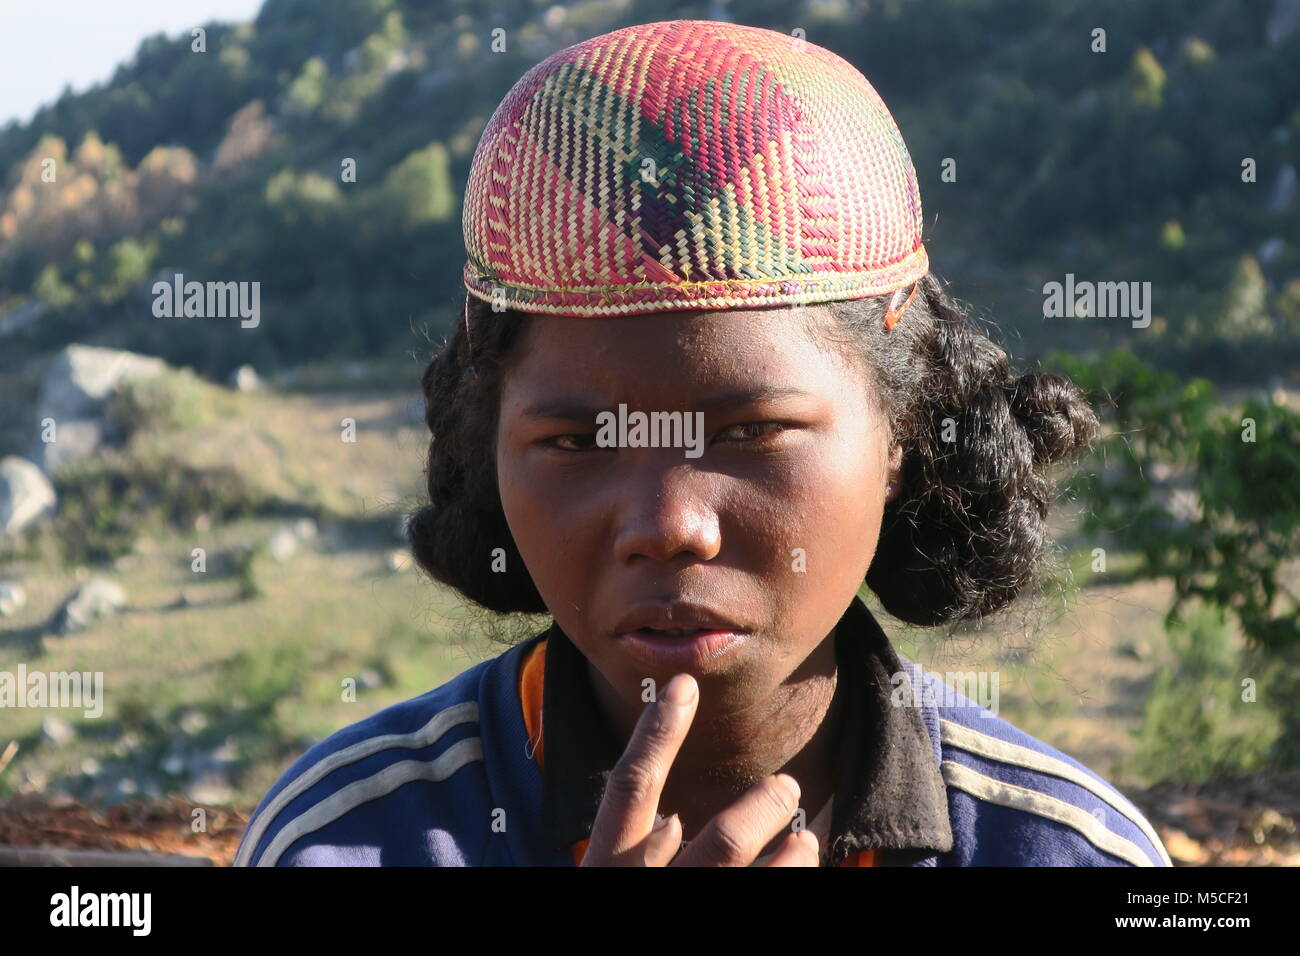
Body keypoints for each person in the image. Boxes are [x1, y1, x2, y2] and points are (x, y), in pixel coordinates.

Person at [235, 19, 1171, 867]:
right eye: (580, 441)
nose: (669, 525)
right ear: (491, 449)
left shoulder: (1062, 850)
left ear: (904, 432)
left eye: (753, 431)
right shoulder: (350, 841)